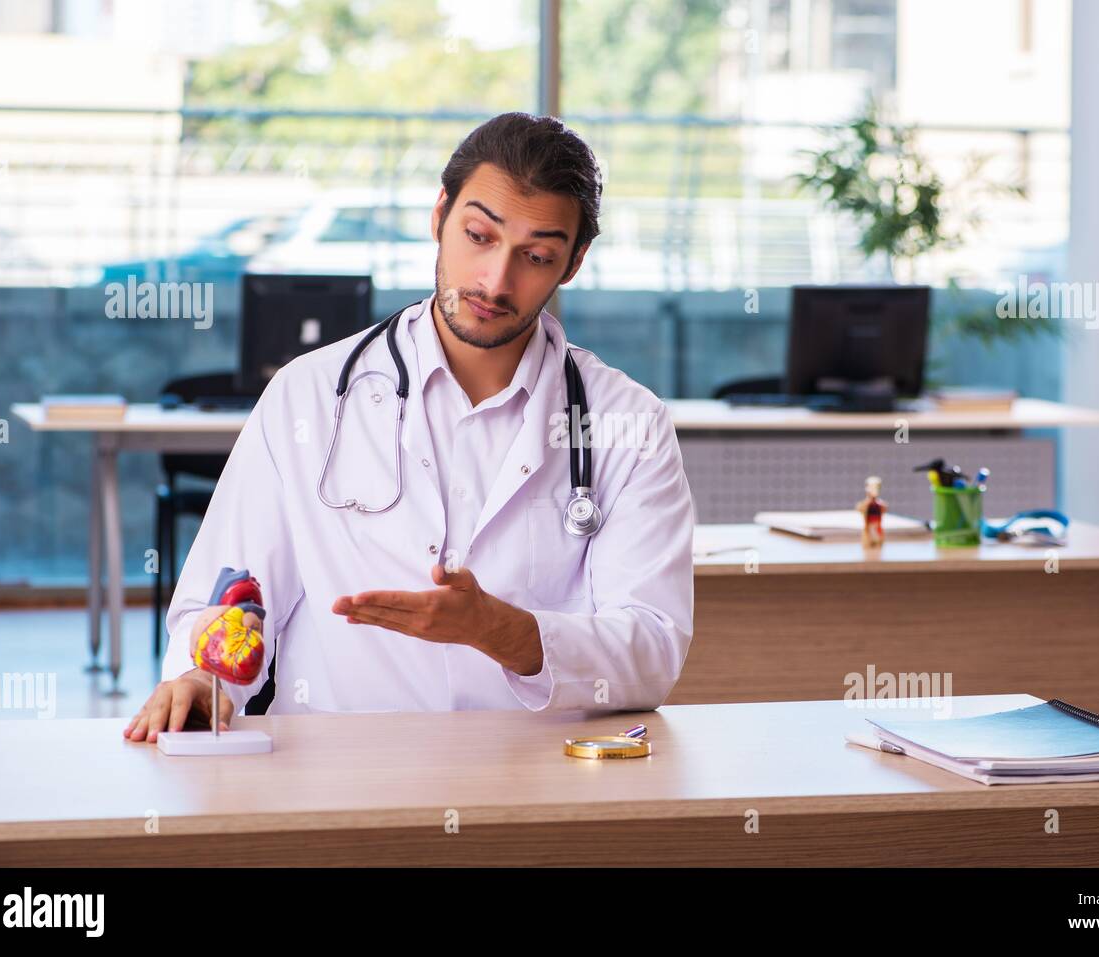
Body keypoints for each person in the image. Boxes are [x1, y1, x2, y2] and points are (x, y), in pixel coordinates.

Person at [125, 113, 694, 742]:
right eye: (478, 235)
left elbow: (653, 650)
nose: (495, 281)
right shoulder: (309, 396)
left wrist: (499, 630)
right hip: (338, 778)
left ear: (574, 262)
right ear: (439, 216)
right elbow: (230, 593)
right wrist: (201, 682)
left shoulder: (626, 423)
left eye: (536, 256)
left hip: (537, 784)